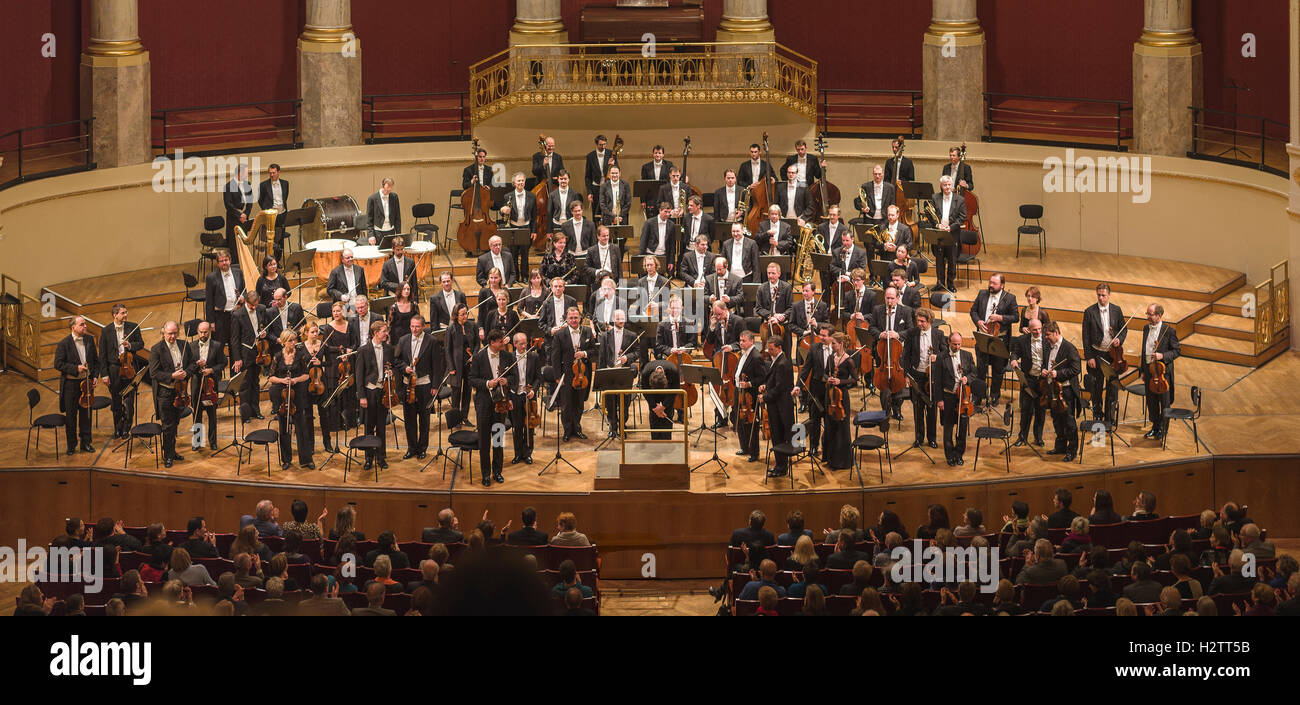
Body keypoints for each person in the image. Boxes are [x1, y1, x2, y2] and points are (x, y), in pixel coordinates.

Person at [470, 328, 517, 486]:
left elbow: (513, 376)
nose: (502, 343)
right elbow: (472, 379)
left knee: (498, 440)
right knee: (484, 442)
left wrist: (506, 381)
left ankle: (497, 472)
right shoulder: (478, 358)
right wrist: (487, 383)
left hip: (500, 405)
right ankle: (485, 474)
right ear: (492, 342)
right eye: (500, 341)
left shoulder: (507, 356)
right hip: (484, 404)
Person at [146, 321, 191, 467]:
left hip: (180, 391)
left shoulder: (184, 345)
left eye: (175, 333)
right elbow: (154, 373)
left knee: (176, 422)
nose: (172, 336)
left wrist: (186, 373)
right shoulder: (156, 349)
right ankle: (168, 456)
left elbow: (192, 364)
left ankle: (171, 451)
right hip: (165, 393)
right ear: (163, 333)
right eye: (169, 333)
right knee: (167, 425)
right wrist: (172, 376)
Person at [267, 330, 313, 470]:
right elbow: (271, 378)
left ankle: (306, 460)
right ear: (284, 341)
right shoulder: (277, 357)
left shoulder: (301, 355)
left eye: (295, 340)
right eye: (291, 340)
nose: (294, 342)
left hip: (297, 393)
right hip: (281, 395)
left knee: (301, 427)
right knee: (284, 427)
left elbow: (306, 375)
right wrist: (282, 380)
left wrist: (295, 380)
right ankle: (286, 459)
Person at [969, 273, 1018, 406]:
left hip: (999, 339)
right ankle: (978, 396)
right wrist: (978, 321)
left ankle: (995, 396)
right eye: (990, 282)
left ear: (1002, 285)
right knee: (981, 369)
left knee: (997, 370)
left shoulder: (1009, 298)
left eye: (994, 283)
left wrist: (1000, 318)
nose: (991, 285)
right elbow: (973, 311)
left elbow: (1015, 317)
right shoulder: (982, 294)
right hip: (983, 337)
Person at [97, 303, 144, 440]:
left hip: (130, 369)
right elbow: (102, 355)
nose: (125, 315)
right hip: (114, 370)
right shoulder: (106, 331)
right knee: (116, 402)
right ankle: (117, 429)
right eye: (122, 313)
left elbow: (141, 344)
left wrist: (130, 345)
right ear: (115, 315)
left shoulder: (133, 327)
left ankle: (126, 429)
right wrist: (104, 374)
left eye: (126, 312)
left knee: (129, 402)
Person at [1081, 282, 1127, 423]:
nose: (1101, 298)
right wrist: (1089, 357)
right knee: (1096, 387)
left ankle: (1110, 417)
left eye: (1103, 295)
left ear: (1109, 295)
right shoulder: (1089, 312)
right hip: (1096, 354)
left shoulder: (1116, 310)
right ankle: (1097, 415)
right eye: (1099, 295)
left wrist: (1119, 339)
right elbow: (1086, 336)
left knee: (1112, 387)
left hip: (1112, 355)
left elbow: (1123, 329)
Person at [53, 316, 98, 455]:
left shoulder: (89, 339)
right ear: (73, 328)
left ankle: (86, 443)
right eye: (82, 324)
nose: (85, 326)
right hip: (71, 385)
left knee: (86, 415)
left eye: (85, 324)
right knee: (71, 416)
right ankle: (71, 445)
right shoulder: (64, 343)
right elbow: (58, 364)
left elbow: (96, 361)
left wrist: (95, 376)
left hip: (86, 383)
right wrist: (75, 368)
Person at [394, 314, 435, 460]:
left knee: (424, 419)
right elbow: (397, 360)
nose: (414, 329)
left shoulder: (431, 341)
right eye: (412, 326)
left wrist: (435, 386)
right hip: (408, 385)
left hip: (424, 384)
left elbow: (437, 365)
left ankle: (422, 448)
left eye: (417, 326)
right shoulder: (403, 340)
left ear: (423, 326)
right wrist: (404, 368)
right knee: (409, 418)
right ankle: (411, 448)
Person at [550, 307, 595, 442]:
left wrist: (585, 353)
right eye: (571, 318)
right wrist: (558, 377)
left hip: (583, 375)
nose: (574, 320)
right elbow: (555, 358)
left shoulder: (587, 331)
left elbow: (594, 351)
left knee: (579, 403)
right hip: (567, 375)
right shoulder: (560, 334)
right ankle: (567, 430)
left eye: (576, 318)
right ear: (567, 319)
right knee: (566, 404)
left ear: (580, 318)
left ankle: (577, 428)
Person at [868, 286, 912, 420]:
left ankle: (897, 409)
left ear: (897, 298)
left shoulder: (906, 311)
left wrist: (897, 334)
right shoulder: (877, 310)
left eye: (892, 298)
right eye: (887, 298)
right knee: (883, 383)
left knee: (898, 383)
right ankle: (885, 411)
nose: (889, 301)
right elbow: (871, 327)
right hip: (882, 352)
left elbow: (910, 329)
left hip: (899, 353)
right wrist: (879, 334)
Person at [903, 308, 945, 448]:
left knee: (931, 409)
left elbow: (945, 353)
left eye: (922, 321)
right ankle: (919, 438)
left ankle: (931, 438)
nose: (919, 324)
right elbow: (906, 356)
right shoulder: (912, 333)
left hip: (931, 377)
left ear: (929, 321)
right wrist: (906, 375)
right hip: (916, 376)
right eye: (918, 321)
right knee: (917, 409)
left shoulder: (938, 334)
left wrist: (937, 357)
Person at [354, 320, 393, 470]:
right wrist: (362, 396)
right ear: (376, 333)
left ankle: (381, 457)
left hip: (383, 391)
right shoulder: (363, 350)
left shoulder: (388, 349)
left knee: (382, 426)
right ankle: (369, 457)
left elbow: (393, 366)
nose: (386, 333)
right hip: (369, 392)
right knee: (369, 426)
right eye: (384, 331)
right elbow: (359, 375)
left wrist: (390, 372)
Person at [1140, 303, 1180, 440]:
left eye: (1150, 314)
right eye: (1147, 313)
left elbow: (1176, 351)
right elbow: (1143, 350)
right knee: (1151, 402)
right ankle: (1155, 427)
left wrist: (1162, 356)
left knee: (1164, 402)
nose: (1147, 317)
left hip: (1163, 373)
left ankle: (1163, 429)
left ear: (1159, 316)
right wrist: (1143, 370)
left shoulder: (1169, 331)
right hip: (1148, 370)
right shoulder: (1146, 328)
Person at [1042, 321, 1081, 461]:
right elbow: (1045, 362)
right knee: (1056, 419)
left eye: (1047, 335)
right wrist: (1044, 370)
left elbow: (1076, 369)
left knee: (1069, 422)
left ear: (1056, 333)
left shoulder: (1069, 348)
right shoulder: (1048, 346)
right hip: (1053, 390)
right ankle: (1060, 447)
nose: (1045, 337)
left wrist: (1058, 374)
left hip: (1066, 391)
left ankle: (1072, 451)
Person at [936, 331, 975, 466]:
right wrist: (939, 400)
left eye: (959, 344)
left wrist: (967, 378)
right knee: (948, 428)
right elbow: (937, 381)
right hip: (948, 397)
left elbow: (974, 373)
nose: (957, 347)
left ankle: (959, 454)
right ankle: (949, 455)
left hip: (963, 398)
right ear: (948, 342)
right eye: (954, 344)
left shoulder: (967, 355)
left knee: (962, 428)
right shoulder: (941, 357)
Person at [759, 336, 794, 478]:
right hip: (777, 405)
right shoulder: (778, 361)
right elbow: (774, 382)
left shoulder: (782, 364)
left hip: (780, 407)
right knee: (776, 436)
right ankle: (779, 464)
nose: (769, 351)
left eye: (772, 349)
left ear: (779, 348)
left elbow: (780, 388)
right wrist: (766, 386)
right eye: (768, 348)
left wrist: (765, 397)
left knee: (779, 436)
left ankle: (781, 467)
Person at [1008, 317, 1047, 447]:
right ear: (1029, 329)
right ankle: (1022, 437)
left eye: (1040, 329)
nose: (1038, 332)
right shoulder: (1022, 340)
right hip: (1028, 380)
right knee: (1026, 410)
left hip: (1042, 381)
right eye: (1035, 330)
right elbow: (1015, 353)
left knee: (1040, 410)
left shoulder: (1047, 340)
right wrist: (1013, 360)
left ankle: (1038, 437)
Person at [731, 330, 766, 462]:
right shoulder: (743, 354)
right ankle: (745, 447)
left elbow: (762, 378)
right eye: (740, 340)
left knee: (751, 424)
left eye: (743, 341)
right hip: (739, 393)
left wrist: (749, 384)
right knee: (740, 421)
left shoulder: (756, 357)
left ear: (752, 341)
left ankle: (754, 452)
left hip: (749, 396)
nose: (740, 343)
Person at [926, 175, 964, 291]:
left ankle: (950, 284)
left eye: (949, 184)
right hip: (939, 234)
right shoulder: (934, 197)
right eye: (945, 185)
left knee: (952, 260)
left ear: (952, 185)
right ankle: (940, 283)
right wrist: (937, 225)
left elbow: (962, 217)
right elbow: (929, 213)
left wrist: (951, 227)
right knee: (939, 259)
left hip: (952, 234)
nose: (947, 187)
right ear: (941, 186)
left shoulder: (960, 199)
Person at [508, 333, 540, 465]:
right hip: (515, 395)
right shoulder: (509, 358)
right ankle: (517, 453)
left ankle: (527, 454)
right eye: (521, 344)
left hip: (529, 396)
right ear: (514, 344)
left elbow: (538, 377)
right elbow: (508, 379)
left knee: (529, 426)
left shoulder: (534, 356)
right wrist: (508, 397)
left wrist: (533, 390)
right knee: (517, 426)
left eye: (525, 343)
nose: (524, 346)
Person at [446, 303, 479, 420]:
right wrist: (451, 367)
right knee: (456, 393)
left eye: (466, 313)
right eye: (462, 314)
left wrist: (474, 356)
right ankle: (456, 420)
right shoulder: (451, 328)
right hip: (456, 365)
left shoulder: (472, 326)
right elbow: (448, 349)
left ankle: (464, 417)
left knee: (467, 391)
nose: (465, 316)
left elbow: (477, 344)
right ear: (456, 316)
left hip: (469, 364)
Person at [223, 163, 254, 253]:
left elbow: (250, 202)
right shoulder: (228, 186)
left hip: (244, 220)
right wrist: (240, 215)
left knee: (243, 244)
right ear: (239, 173)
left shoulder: (247, 184)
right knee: (234, 245)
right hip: (233, 220)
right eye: (246, 173)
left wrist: (246, 214)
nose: (248, 174)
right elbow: (228, 204)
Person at [854, 164, 895, 230]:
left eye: (879, 174)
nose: (877, 176)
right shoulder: (866, 186)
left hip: (884, 220)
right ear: (873, 174)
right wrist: (862, 208)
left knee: (883, 240)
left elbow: (892, 203)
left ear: (883, 174)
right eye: (875, 174)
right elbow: (858, 201)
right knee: (868, 240)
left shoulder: (890, 188)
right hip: (869, 219)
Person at [365, 177, 401, 245]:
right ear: (382, 186)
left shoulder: (394, 197)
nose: (388, 192)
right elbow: (369, 219)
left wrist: (399, 234)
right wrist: (371, 235)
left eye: (390, 189)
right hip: (378, 233)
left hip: (391, 231)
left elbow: (397, 217)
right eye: (387, 189)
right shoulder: (372, 198)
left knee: (391, 253)